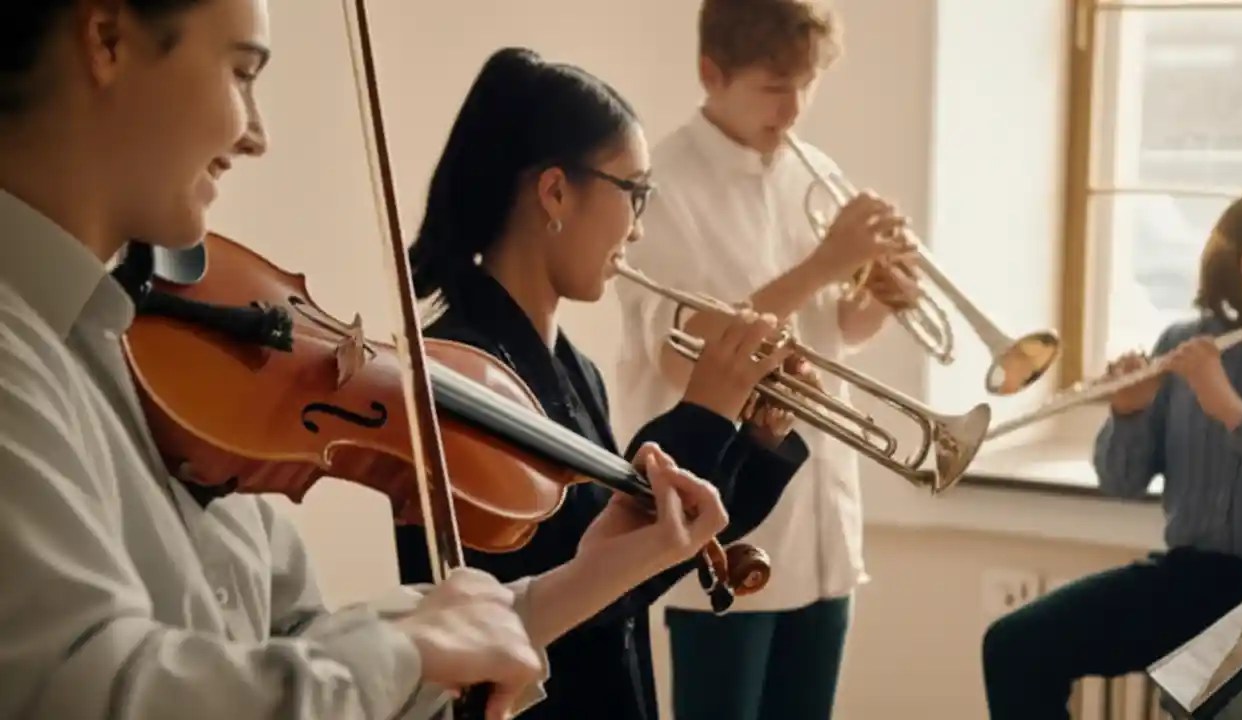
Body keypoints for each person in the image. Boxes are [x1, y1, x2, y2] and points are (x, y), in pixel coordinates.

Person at [0, 2, 735, 719]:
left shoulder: (161, 343)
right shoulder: (20, 356)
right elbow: (84, 690)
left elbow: (291, 643)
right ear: (106, 39)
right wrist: (410, 653)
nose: (255, 133)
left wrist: (571, 585)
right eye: (241, 71)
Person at [397, 46, 830, 720]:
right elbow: (557, 594)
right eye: (634, 193)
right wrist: (703, 413)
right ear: (556, 193)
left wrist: (752, 436)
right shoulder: (459, 370)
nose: (639, 225)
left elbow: (642, 562)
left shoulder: (575, 368)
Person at [611, 1, 921, 717]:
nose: (795, 107)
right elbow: (680, 358)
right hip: (729, 523)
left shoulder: (812, 172)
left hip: (824, 520)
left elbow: (831, 328)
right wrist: (825, 262)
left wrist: (878, 295)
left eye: (808, 84)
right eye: (774, 87)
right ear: (710, 73)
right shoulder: (662, 187)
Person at [981, 190, 1242, 719]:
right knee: (1016, 644)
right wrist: (1128, 412)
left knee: (1223, 703)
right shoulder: (1186, 342)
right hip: (1189, 577)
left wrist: (1231, 409)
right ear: (1230, 278)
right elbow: (1121, 481)